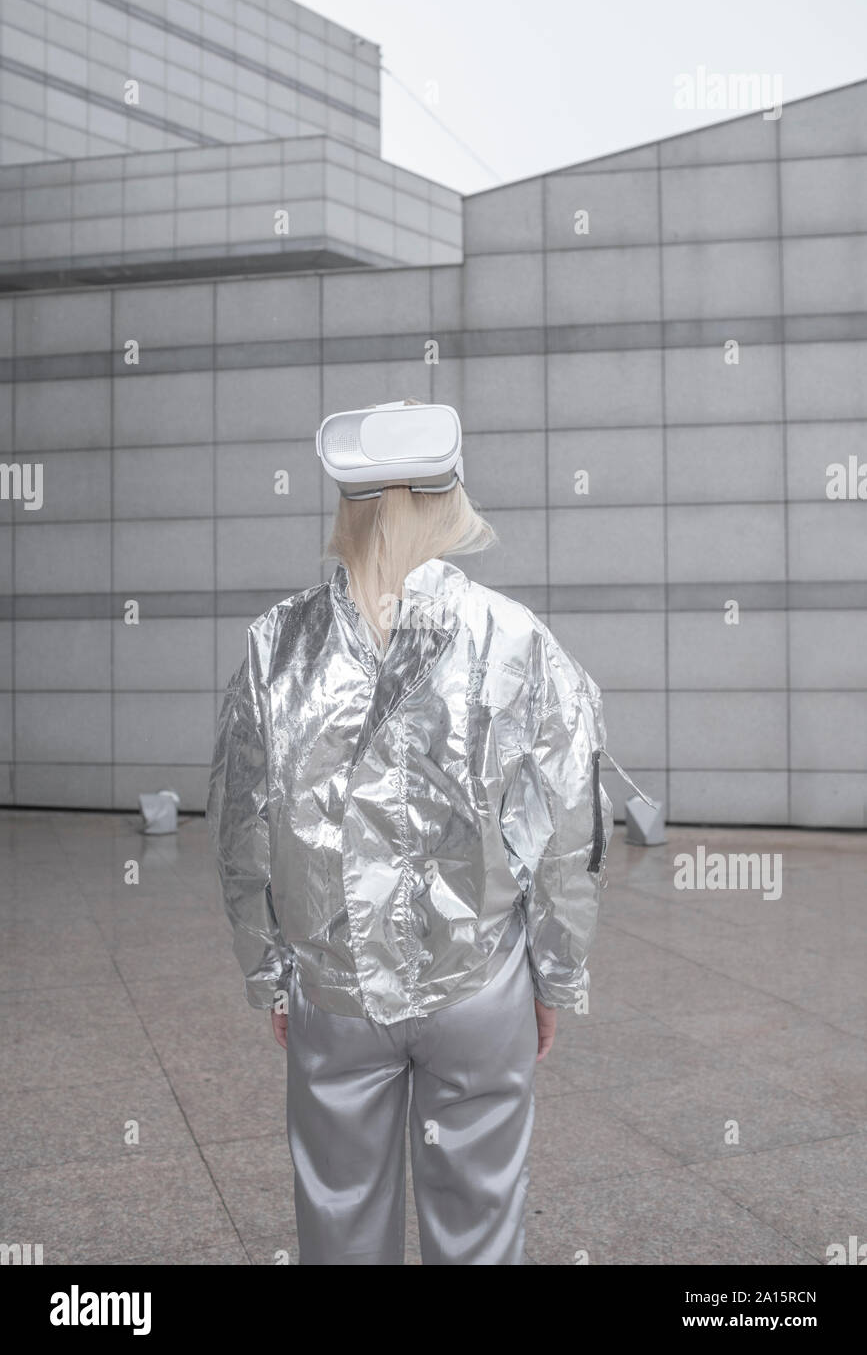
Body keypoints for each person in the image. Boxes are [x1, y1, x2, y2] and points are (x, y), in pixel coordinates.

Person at [207, 398, 618, 1266]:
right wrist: (554, 976)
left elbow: (241, 826)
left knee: (338, 1208)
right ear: (446, 502)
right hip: (479, 983)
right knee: (480, 1215)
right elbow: (567, 831)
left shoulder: (275, 644)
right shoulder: (518, 639)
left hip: (334, 988)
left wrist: (271, 973)